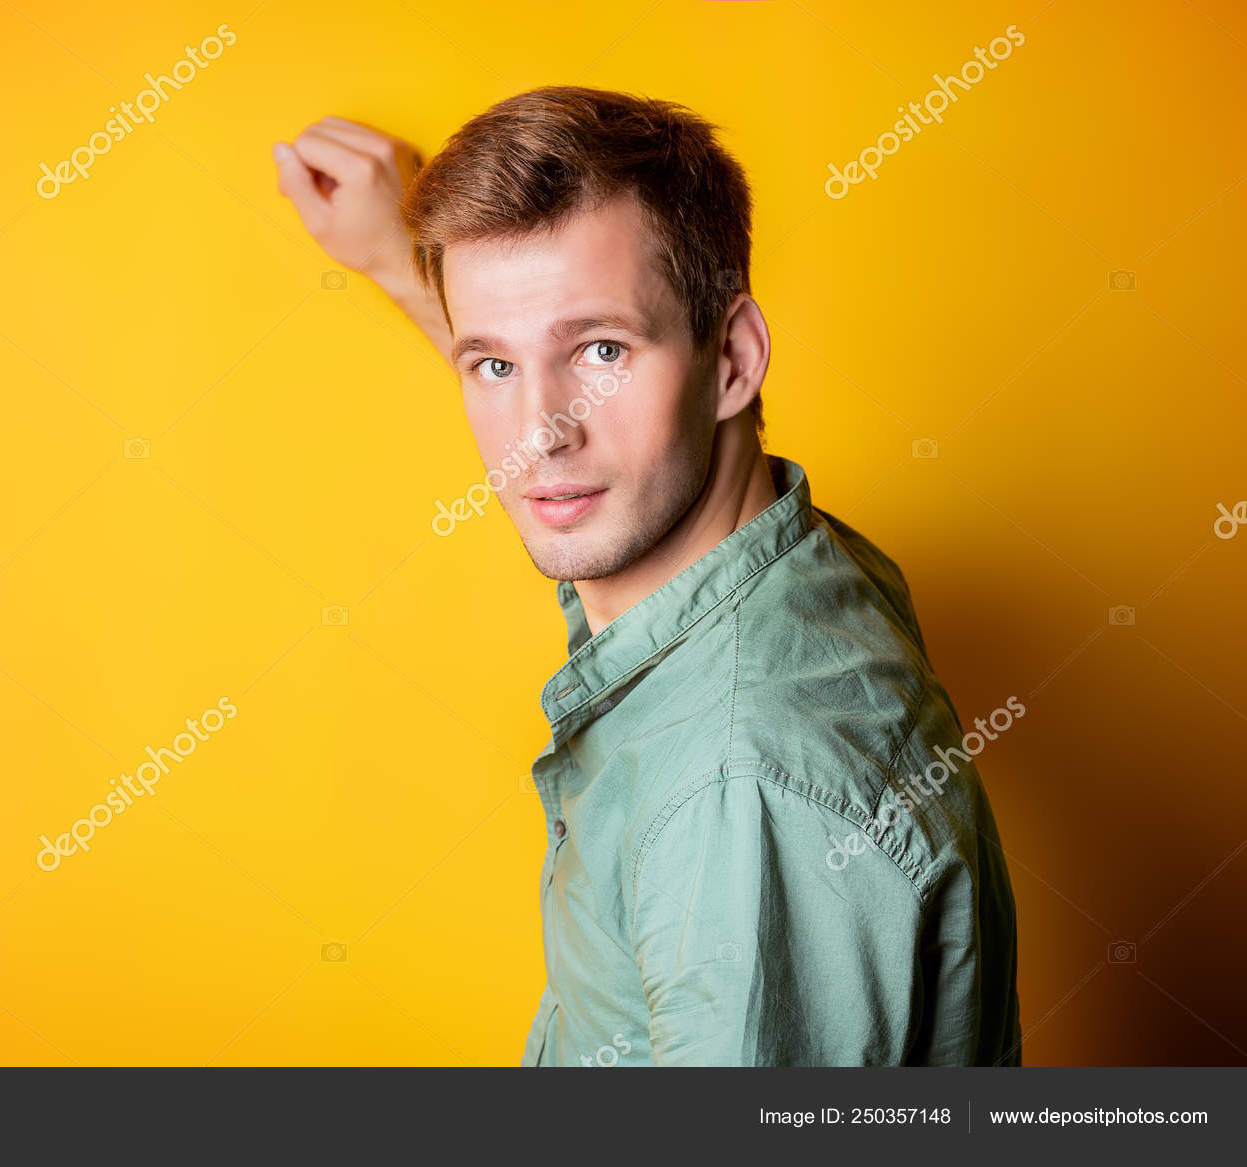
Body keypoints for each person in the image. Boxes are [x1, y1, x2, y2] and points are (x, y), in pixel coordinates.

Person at [271, 86, 1021, 1066]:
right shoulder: (779, 566)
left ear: (733, 359)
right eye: (490, 365)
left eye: (601, 350)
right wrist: (398, 258)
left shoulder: (741, 797)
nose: (538, 437)